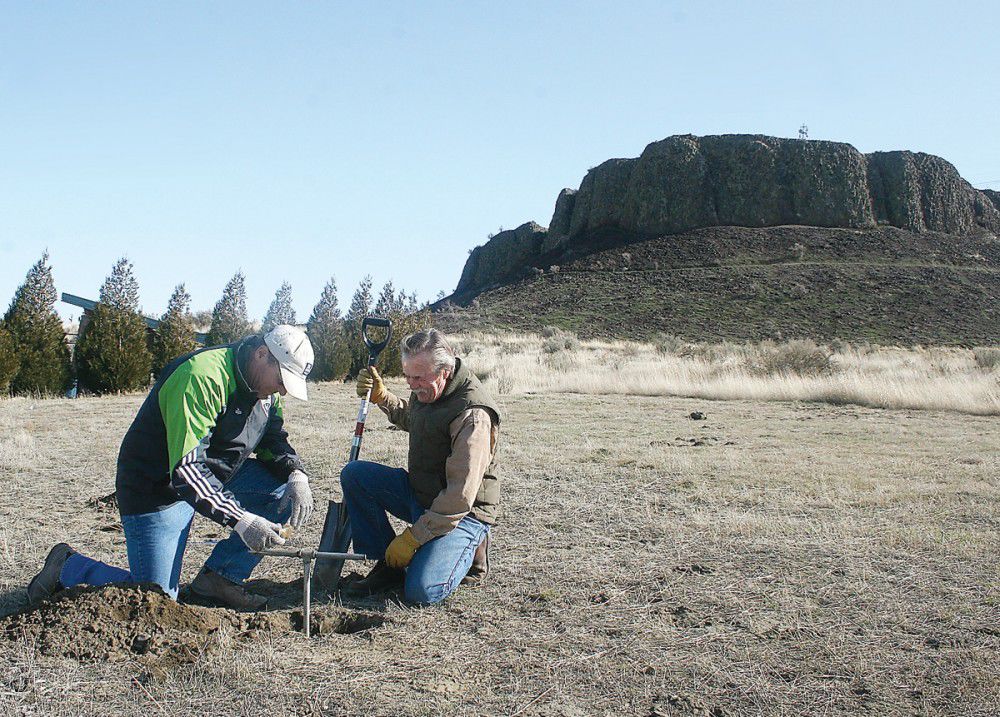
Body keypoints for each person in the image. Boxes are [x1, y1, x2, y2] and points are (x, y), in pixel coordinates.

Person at [27, 324, 316, 611]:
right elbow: (187, 471)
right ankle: (69, 566)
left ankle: (220, 577)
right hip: (159, 485)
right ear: (262, 354)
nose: (283, 392)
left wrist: (296, 474)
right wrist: (242, 520)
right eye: (281, 381)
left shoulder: (267, 391)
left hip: (217, 473)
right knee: (158, 599)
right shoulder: (201, 376)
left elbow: (272, 439)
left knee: (283, 492)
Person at [340, 328, 501, 604]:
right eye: (408, 377)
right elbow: (418, 421)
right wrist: (383, 397)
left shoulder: (473, 414)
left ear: (445, 371)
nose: (412, 385)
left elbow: (459, 496)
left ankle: (472, 549)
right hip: (423, 494)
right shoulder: (428, 391)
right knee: (356, 476)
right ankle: (387, 565)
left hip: (462, 513)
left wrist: (414, 538)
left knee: (422, 591)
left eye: (419, 378)